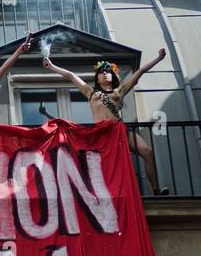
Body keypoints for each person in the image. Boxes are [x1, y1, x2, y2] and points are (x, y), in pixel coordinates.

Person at [42, 48, 170, 194]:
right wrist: (51, 66)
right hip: (102, 133)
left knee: (147, 152)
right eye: (102, 72)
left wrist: (158, 58)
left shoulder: (119, 91)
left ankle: (156, 189)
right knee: (99, 165)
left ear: (112, 75)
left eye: (108, 71)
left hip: (119, 130)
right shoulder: (90, 92)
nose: (105, 73)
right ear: (97, 78)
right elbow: (71, 76)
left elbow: (139, 72)